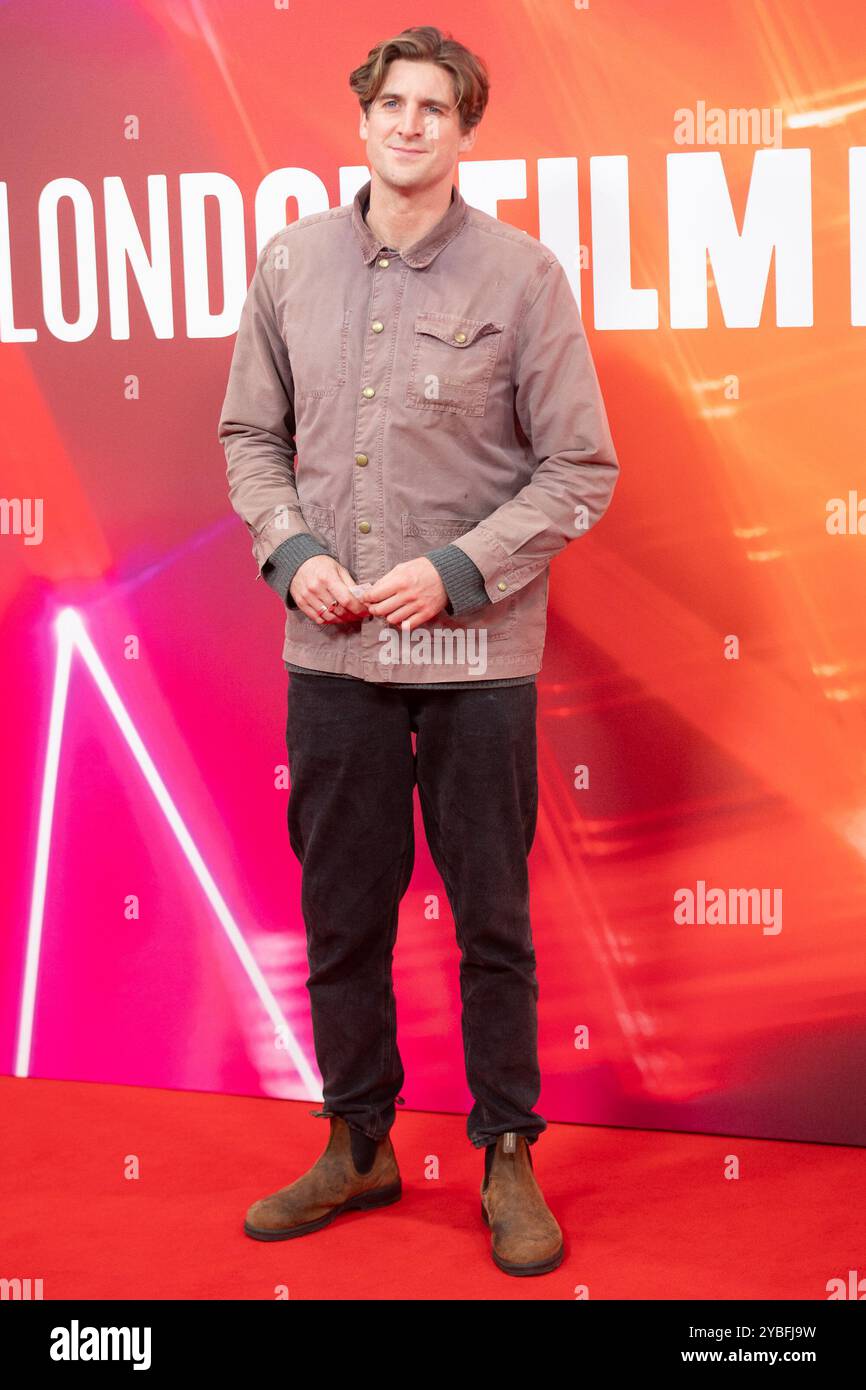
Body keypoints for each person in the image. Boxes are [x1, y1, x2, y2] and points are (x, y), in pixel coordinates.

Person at [218, 24, 620, 1277]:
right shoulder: (289, 265)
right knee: (339, 912)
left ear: (462, 129)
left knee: (490, 918)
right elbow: (248, 437)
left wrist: (452, 574)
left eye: (432, 108)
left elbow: (578, 470)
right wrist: (292, 553)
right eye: (389, 103)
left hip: (476, 660)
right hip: (327, 657)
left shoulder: (521, 278)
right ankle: (358, 1142)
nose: (407, 124)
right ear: (362, 118)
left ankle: (506, 1153)